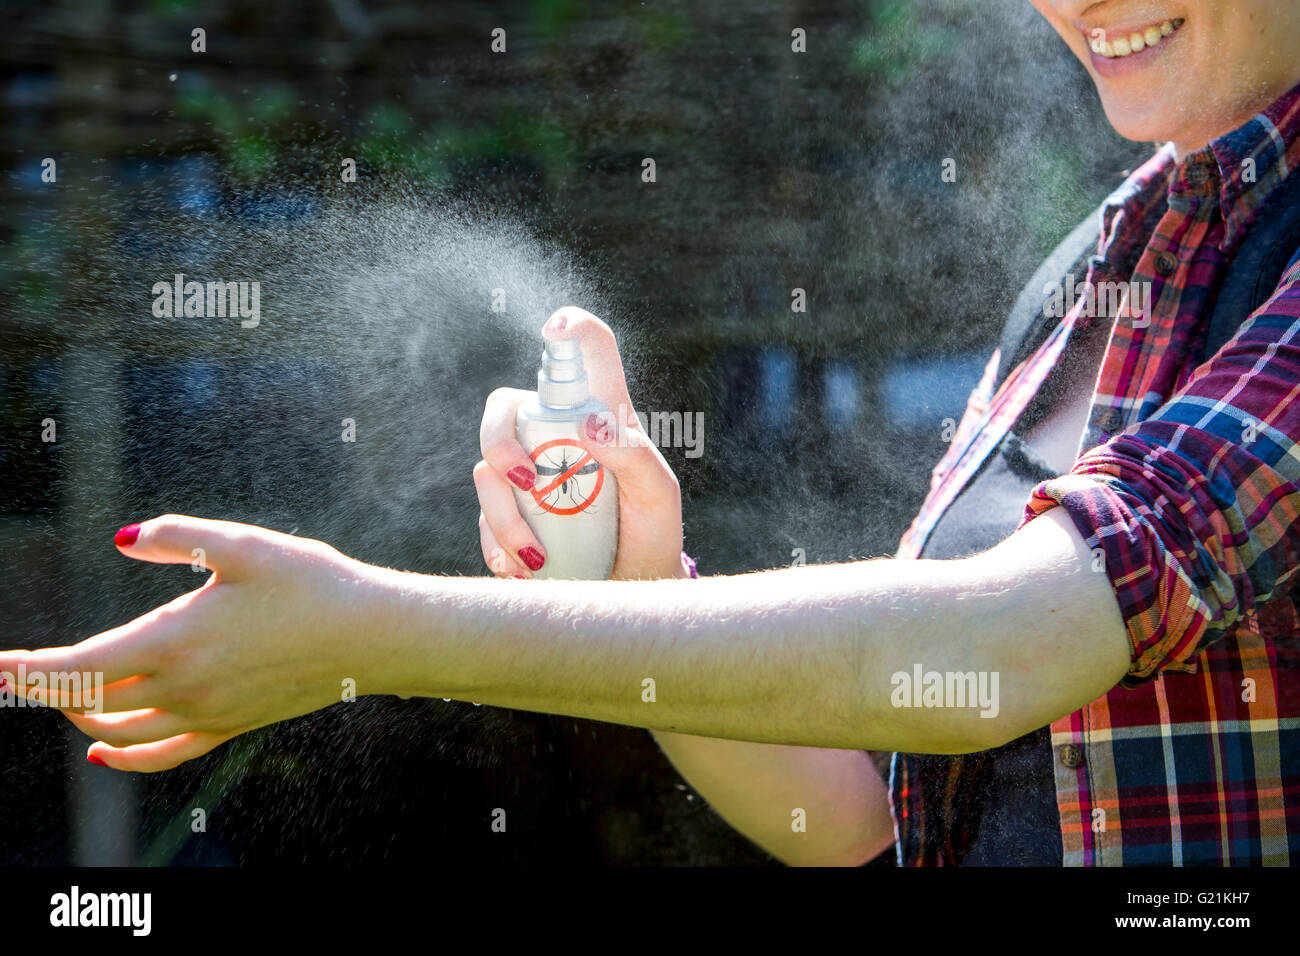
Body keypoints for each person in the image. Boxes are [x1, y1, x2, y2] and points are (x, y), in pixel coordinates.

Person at [4, 0, 1299, 866]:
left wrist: (365, 631)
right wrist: (640, 576)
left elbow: (999, 646)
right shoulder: (1102, 268)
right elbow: (850, 815)